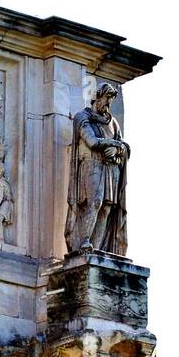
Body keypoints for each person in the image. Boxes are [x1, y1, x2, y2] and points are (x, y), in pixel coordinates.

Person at [64, 81, 129, 255]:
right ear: (97, 97)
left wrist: (117, 150)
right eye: (107, 99)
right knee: (95, 201)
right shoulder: (82, 118)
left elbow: (124, 147)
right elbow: (91, 141)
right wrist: (114, 143)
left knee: (107, 207)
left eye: (111, 101)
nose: (108, 104)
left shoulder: (113, 123)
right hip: (91, 164)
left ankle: (97, 247)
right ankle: (84, 242)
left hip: (110, 167)